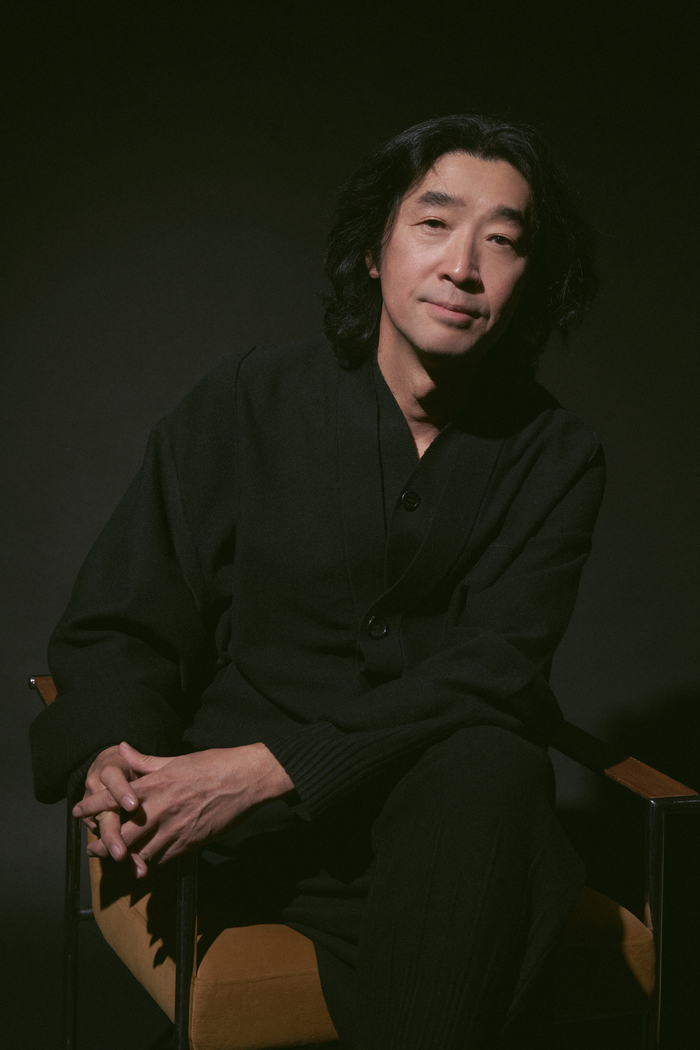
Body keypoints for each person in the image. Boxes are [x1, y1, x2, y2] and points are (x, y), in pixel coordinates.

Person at [30, 114, 604, 1048]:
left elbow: (494, 670)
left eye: (503, 241)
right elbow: (122, 619)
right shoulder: (249, 399)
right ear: (374, 250)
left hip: (437, 830)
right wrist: (113, 760)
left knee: (491, 764)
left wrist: (272, 769)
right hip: (248, 834)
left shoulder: (557, 455)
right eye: (434, 223)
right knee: (492, 810)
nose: (464, 266)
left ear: (529, 280)